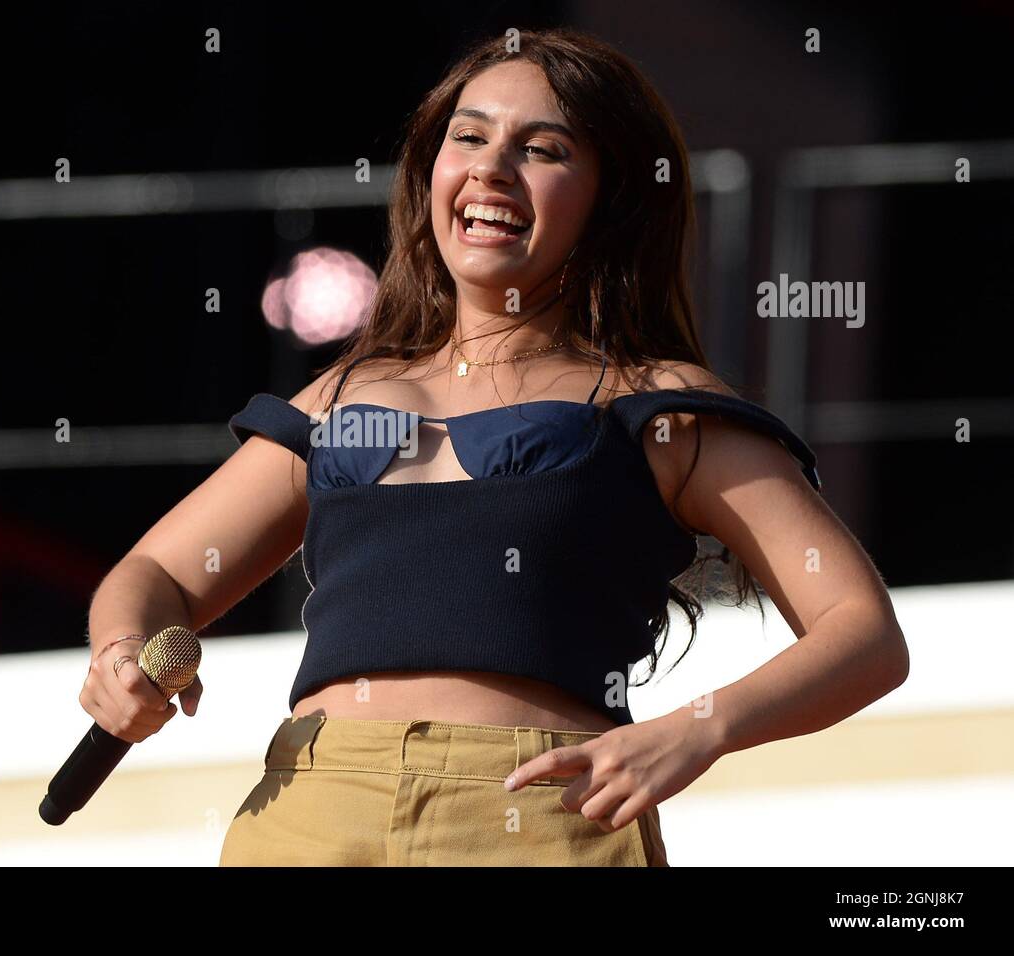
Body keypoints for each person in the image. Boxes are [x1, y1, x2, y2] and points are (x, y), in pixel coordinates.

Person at [79, 27, 909, 866]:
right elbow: (159, 576)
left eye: (541, 149)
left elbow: (863, 632)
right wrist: (121, 655)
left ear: (612, 196)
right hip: (311, 807)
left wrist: (697, 731)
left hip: (543, 817)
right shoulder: (339, 397)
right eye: (468, 136)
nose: (490, 168)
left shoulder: (656, 403)